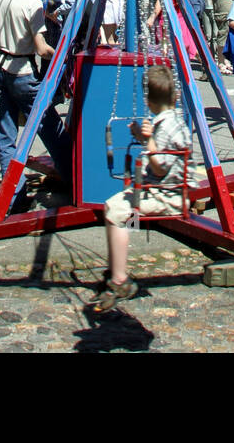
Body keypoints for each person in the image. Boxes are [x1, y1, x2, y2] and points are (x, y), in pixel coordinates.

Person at [94, 65, 191, 311]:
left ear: (148, 101)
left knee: (116, 213)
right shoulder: (172, 120)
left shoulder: (169, 127)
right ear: (174, 97)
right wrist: (141, 137)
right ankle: (118, 264)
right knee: (112, 207)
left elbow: (160, 168)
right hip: (155, 188)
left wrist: (147, 140)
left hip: (169, 195)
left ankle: (120, 281)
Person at [0, 0, 72, 210]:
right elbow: (40, 48)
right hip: (22, 71)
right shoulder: (32, 3)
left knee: (6, 136)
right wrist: (63, 52)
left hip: (1, 68)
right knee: (51, 128)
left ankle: (13, 197)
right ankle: (75, 183)